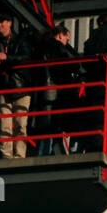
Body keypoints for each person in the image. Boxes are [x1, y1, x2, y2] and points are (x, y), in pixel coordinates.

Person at [0, 13, 34, 159]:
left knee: (20, 124)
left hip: (20, 86)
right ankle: (6, 156)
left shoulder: (21, 39)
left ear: (9, 23)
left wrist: (6, 58)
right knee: (4, 124)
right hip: (5, 86)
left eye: (2, 22)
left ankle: (19, 155)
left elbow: (27, 58)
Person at [35, 24, 81, 156]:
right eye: (67, 38)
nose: (67, 42)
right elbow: (67, 65)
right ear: (61, 35)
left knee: (46, 127)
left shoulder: (42, 46)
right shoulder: (57, 47)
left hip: (43, 90)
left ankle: (44, 153)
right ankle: (46, 155)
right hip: (54, 91)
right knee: (51, 126)